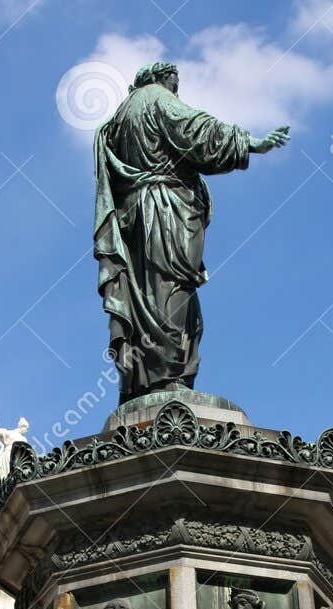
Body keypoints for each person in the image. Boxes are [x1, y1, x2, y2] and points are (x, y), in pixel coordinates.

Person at [94, 62, 290, 400]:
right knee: (171, 288)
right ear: (163, 78)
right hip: (165, 207)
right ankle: (169, 374)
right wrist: (248, 143)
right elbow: (195, 131)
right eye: (176, 82)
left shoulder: (118, 119)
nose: (177, 89)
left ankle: (143, 377)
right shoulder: (156, 98)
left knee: (145, 291)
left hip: (134, 216)